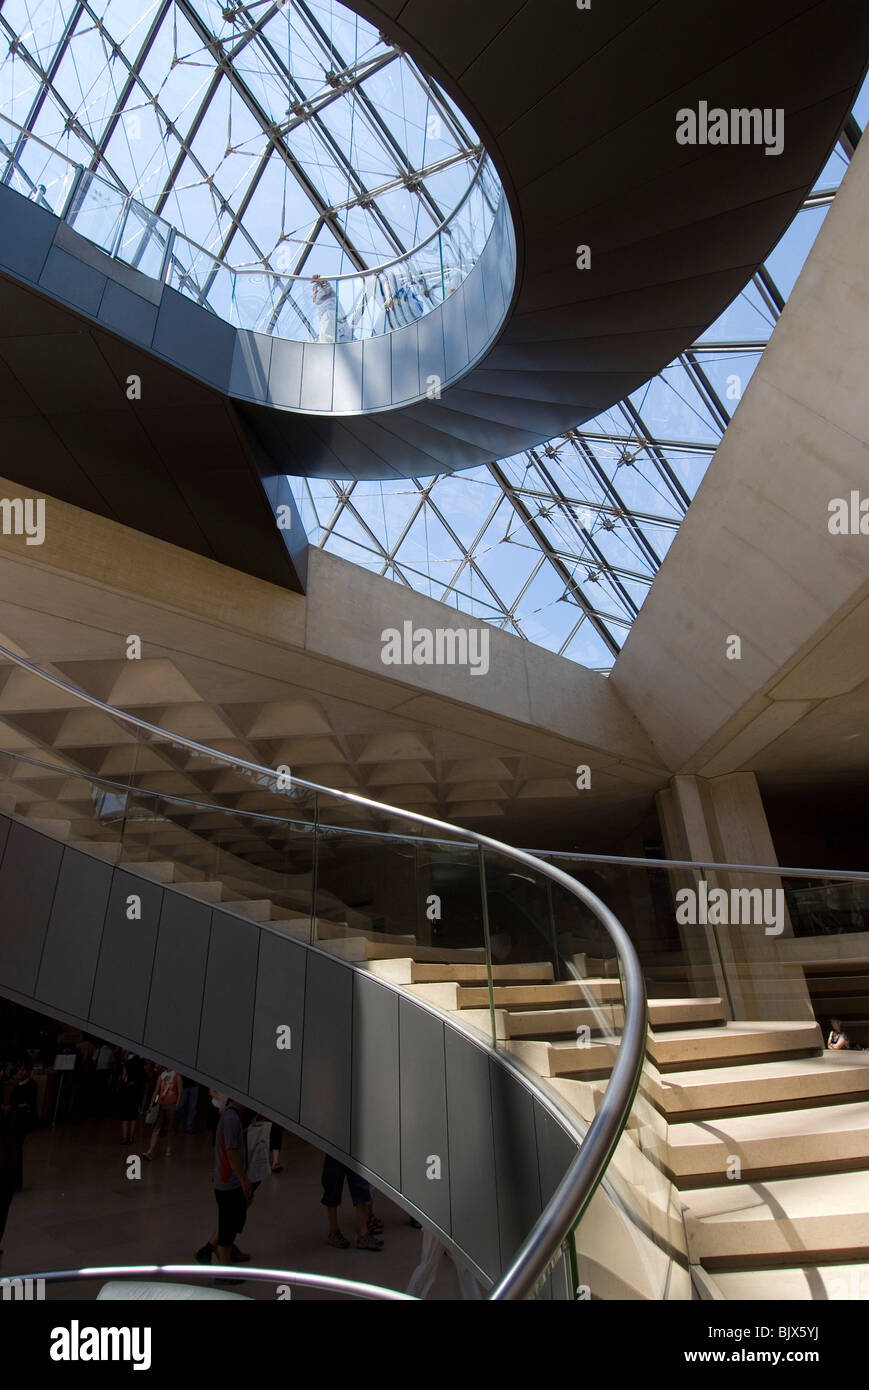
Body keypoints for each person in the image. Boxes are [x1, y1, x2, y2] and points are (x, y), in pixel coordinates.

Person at [195, 1096, 252, 1274]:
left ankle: (207, 1251)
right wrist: (243, 1180)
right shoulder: (231, 1118)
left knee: (231, 1219)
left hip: (228, 1180)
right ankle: (224, 1271)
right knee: (228, 1225)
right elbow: (231, 1152)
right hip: (229, 1182)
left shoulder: (232, 1118)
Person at [321, 1153, 382, 1251]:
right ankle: (333, 1232)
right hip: (335, 1145)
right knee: (333, 1184)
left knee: (361, 1183)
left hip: (354, 1146)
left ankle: (363, 1233)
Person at [405, 1223, 483, 1300]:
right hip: (438, 1223)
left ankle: (412, 1295)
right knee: (427, 1266)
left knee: (465, 1267)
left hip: (454, 1223)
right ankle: (412, 1296)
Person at [142, 1066, 182, 1160]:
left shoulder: (177, 1076)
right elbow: (157, 1091)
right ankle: (150, 1151)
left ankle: (168, 1146)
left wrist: (177, 1105)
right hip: (160, 1105)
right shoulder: (161, 1076)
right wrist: (152, 1104)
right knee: (156, 1128)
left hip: (171, 1105)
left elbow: (180, 1092)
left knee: (169, 1128)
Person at [311, 274, 351, 343]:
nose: (311, 295)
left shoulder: (328, 314)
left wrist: (322, 282)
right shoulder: (330, 311)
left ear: (317, 292)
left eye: (313, 292)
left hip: (330, 348)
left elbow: (328, 341)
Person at [117, 1052, 144, 1145]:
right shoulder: (141, 1063)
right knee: (133, 1116)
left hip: (127, 1090)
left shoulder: (127, 1064)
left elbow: (124, 1077)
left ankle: (125, 1138)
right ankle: (131, 1137)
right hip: (136, 1091)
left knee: (125, 1116)